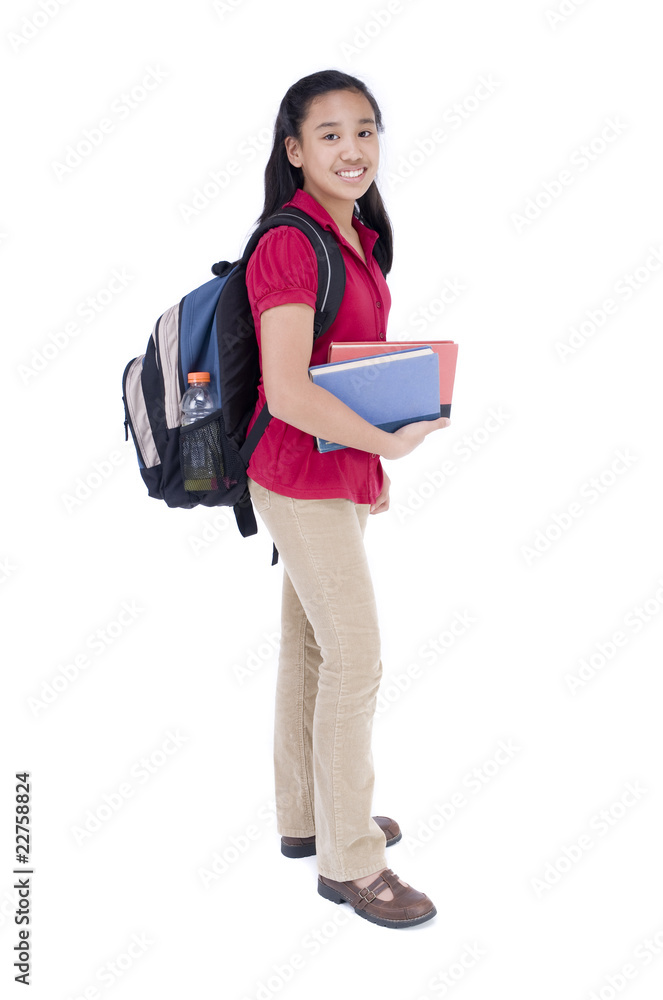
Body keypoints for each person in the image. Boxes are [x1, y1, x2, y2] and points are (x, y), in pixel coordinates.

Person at [244, 69, 450, 929]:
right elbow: (288, 390)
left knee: (314, 649)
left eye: (364, 130)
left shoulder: (355, 233)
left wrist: (372, 465)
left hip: (326, 474)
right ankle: (351, 863)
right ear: (294, 153)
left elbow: (345, 372)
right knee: (355, 660)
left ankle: (308, 820)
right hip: (294, 474)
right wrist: (389, 444)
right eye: (328, 134)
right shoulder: (291, 243)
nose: (352, 148)